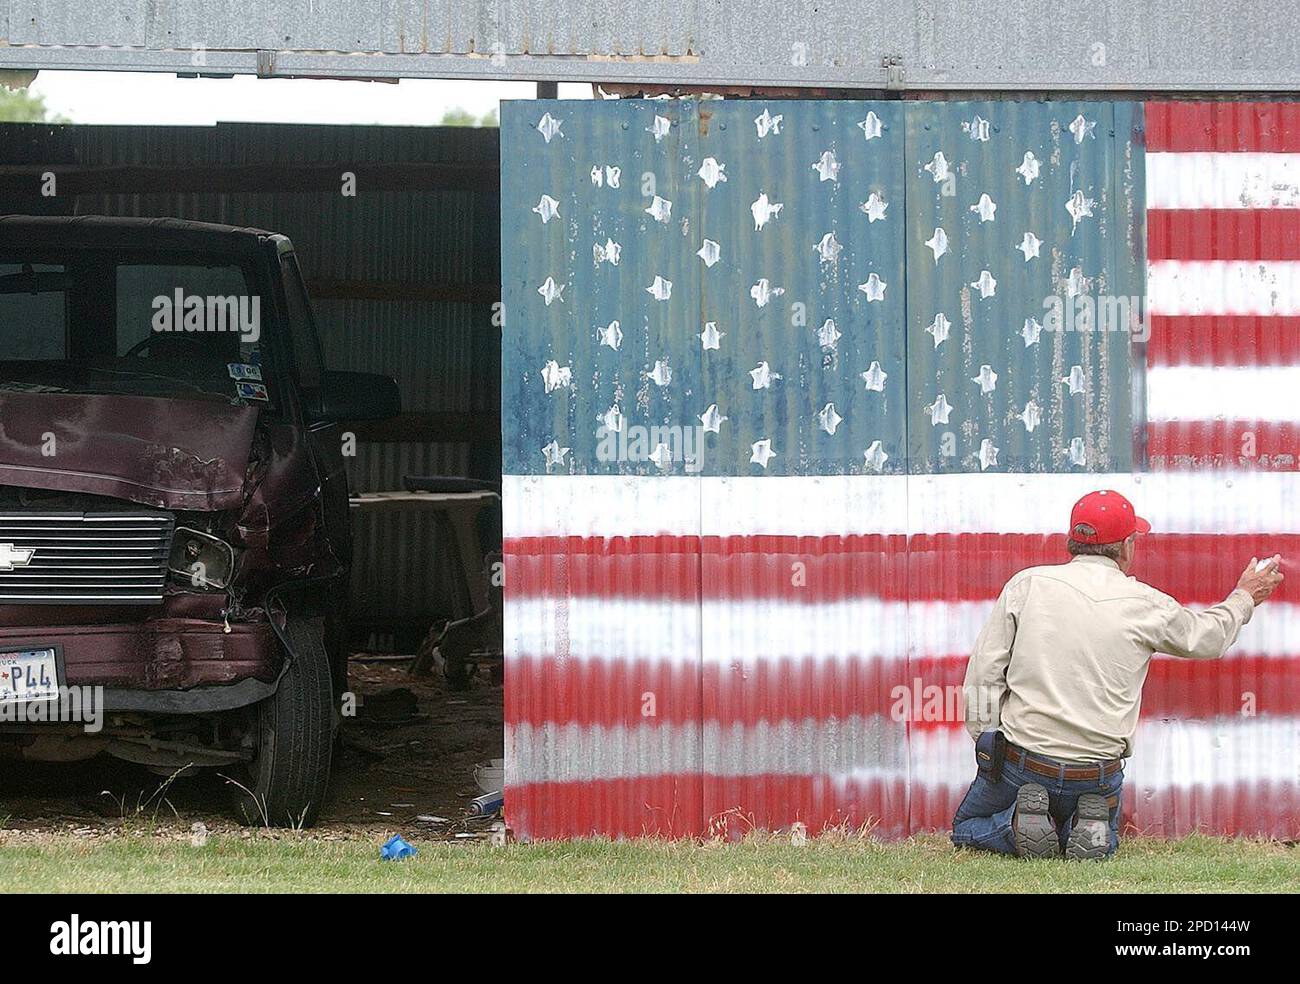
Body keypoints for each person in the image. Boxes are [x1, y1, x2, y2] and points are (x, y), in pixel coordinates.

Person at [951, 489, 1283, 859]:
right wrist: (1244, 596)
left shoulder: (1027, 586)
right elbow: (1209, 638)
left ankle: (1019, 824)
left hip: (1026, 763)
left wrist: (988, 740)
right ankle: (1091, 825)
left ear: (1071, 541)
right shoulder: (1145, 603)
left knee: (965, 828)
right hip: (1097, 773)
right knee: (1091, 811)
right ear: (1127, 546)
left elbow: (984, 673)